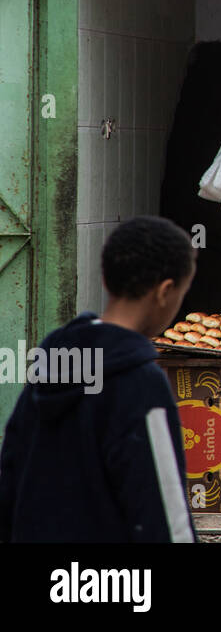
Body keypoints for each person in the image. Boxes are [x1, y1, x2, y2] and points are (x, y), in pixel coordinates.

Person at [0, 217, 197, 542]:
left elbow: (9, 479)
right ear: (166, 292)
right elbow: (165, 517)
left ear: (105, 280)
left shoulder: (50, 363)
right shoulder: (141, 382)